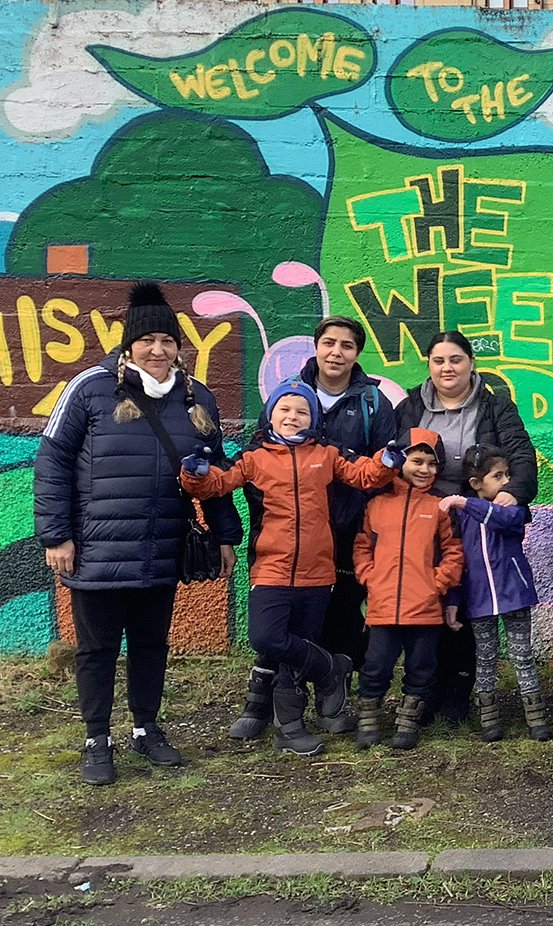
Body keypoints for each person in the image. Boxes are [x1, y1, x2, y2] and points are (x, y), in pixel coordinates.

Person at [34, 281, 242, 786]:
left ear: (177, 346)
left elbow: (214, 472)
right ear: (129, 345)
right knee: (96, 649)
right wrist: (56, 536)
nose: (157, 350)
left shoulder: (197, 398)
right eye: (147, 341)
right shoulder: (88, 389)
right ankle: (96, 739)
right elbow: (52, 461)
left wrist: (225, 535)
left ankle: (146, 729)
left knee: (151, 644)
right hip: (97, 552)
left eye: (167, 341)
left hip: (161, 548)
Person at [181, 379, 404, 756]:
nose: (292, 416)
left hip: (318, 573)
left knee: (293, 657)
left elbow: (362, 475)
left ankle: (290, 728)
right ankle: (331, 668)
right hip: (270, 569)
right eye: (285, 409)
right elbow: (217, 484)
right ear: (271, 415)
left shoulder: (327, 454)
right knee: (265, 638)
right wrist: (196, 475)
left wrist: (384, 464)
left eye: (302, 411)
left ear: (313, 419)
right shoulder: (254, 457)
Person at [231, 315, 397, 742]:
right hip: (285, 535)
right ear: (316, 347)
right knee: (277, 622)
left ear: (357, 353)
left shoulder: (372, 402)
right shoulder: (289, 392)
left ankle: (328, 706)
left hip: (347, 531)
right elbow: (256, 459)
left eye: (346, 345)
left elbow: (376, 470)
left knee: (336, 617)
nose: (336, 352)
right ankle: (260, 700)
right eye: (329, 343)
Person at [396, 330, 540, 729]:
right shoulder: (409, 407)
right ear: (428, 364)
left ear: (471, 363)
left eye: (456, 359)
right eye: (439, 360)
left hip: (477, 520)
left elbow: (521, 455)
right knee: (430, 598)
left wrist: (512, 493)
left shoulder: (495, 407)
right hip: (425, 518)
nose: (448, 368)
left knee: (469, 603)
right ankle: (424, 690)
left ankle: (459, 694)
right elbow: (393, 458)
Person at [351, 428, 464, 750]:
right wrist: (369, 578)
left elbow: (455, 553)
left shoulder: (440, 507)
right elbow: (361, 547)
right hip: (383, 607)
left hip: (426, 609)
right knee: (375, 666)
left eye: (431, 463)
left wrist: (437, 585)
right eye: (417, 460)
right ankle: (369, 719)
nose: (424, 469)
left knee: (421, 668)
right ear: (401, 462)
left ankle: (407, 721)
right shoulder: (377, 505)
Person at [438, 444, 551, 743]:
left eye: (507, 475)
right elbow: (457, 561)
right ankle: (488, 716)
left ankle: (535, 716)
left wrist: (464, 503)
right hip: (479, 598)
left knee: (522, 655)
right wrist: (452, 602)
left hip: (515, 593)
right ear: (476, 484)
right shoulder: (462, 518)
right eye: (497, 476)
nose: (505, 481)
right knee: (485, 657)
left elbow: (505, 521)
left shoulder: (510, 507)